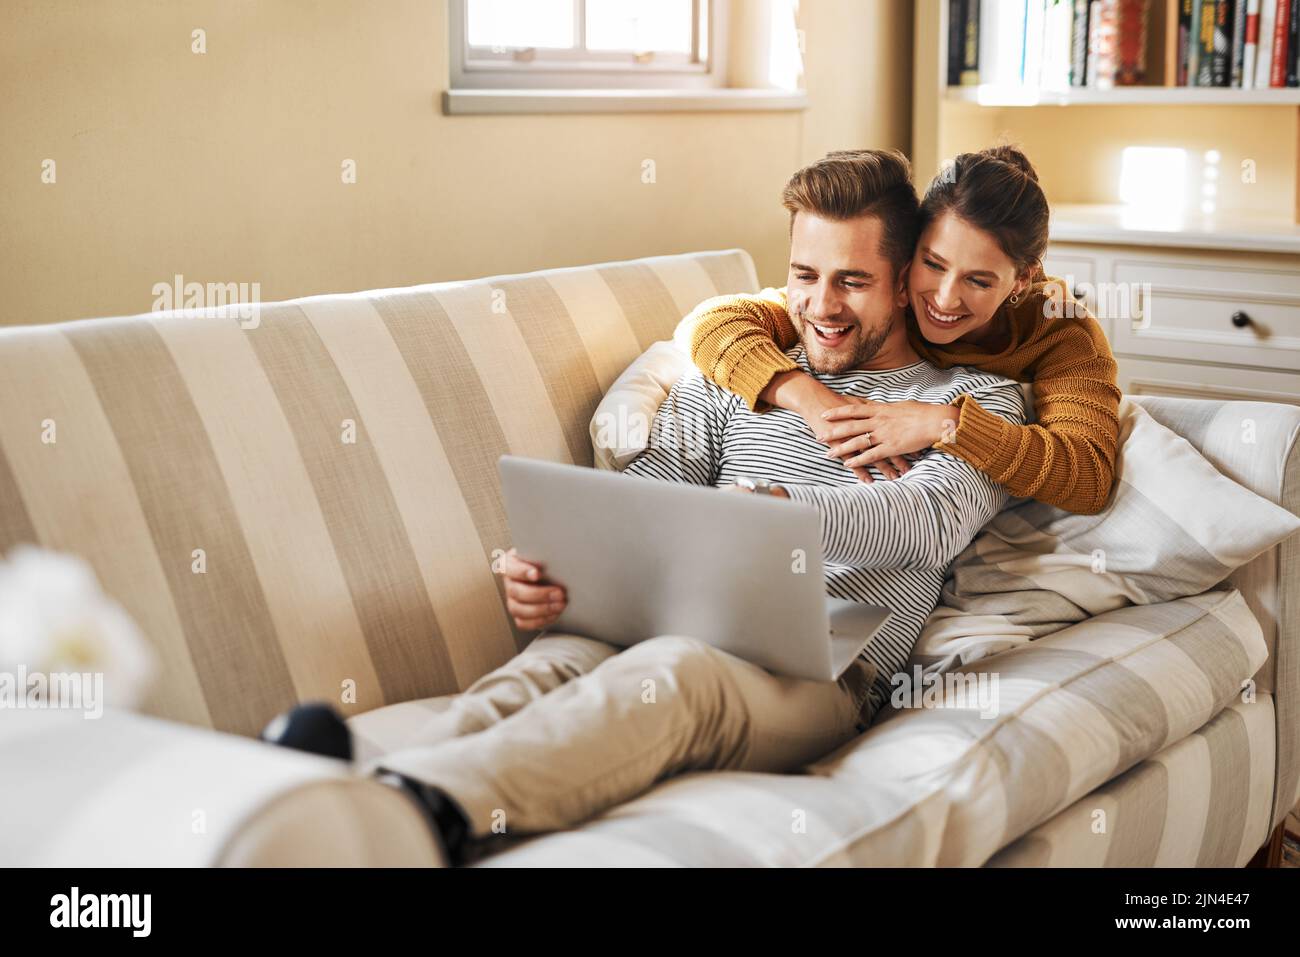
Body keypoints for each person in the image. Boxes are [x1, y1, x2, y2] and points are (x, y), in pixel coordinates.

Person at [264, 150, 1026, 866]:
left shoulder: (973, 406)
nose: (820, 306)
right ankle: (330, 793)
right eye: (804, 274)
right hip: (671, 616)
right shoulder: (744, 376)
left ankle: (412, 815)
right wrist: (553, 567)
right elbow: (650, 492)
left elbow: (926, 520)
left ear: (903, 284)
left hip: (820, 677)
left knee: (677, 671)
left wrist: (776, 510)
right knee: (556, 659)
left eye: (851, 282)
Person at [677, 145, 1122, 515]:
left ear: (1021, 279)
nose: (944, 300)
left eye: (979, 280)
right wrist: (815, 403)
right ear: (911, 255)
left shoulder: (1062, 333)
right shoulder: (881, 296)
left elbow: (1087, 477)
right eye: (934, 264)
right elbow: (711, 323)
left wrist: (945, 422)